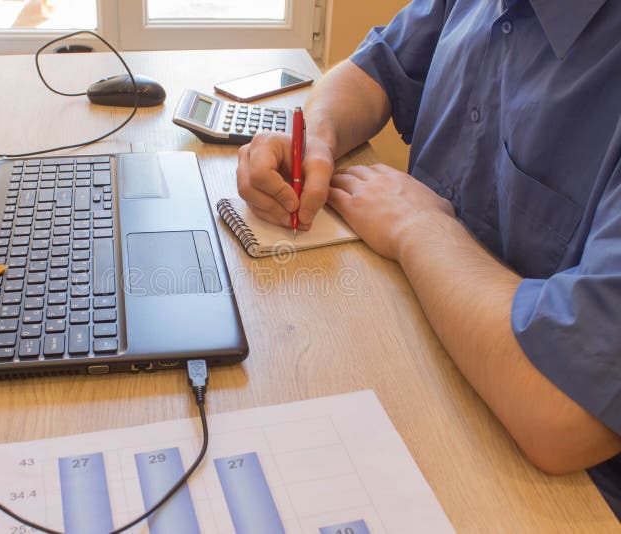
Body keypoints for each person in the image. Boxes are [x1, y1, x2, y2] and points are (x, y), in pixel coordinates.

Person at [236, 0, 621, 518]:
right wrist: (318, 138)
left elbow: (565, 415)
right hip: (419, 355)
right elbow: (375, 68)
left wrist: (419, 228)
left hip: (555, 493)